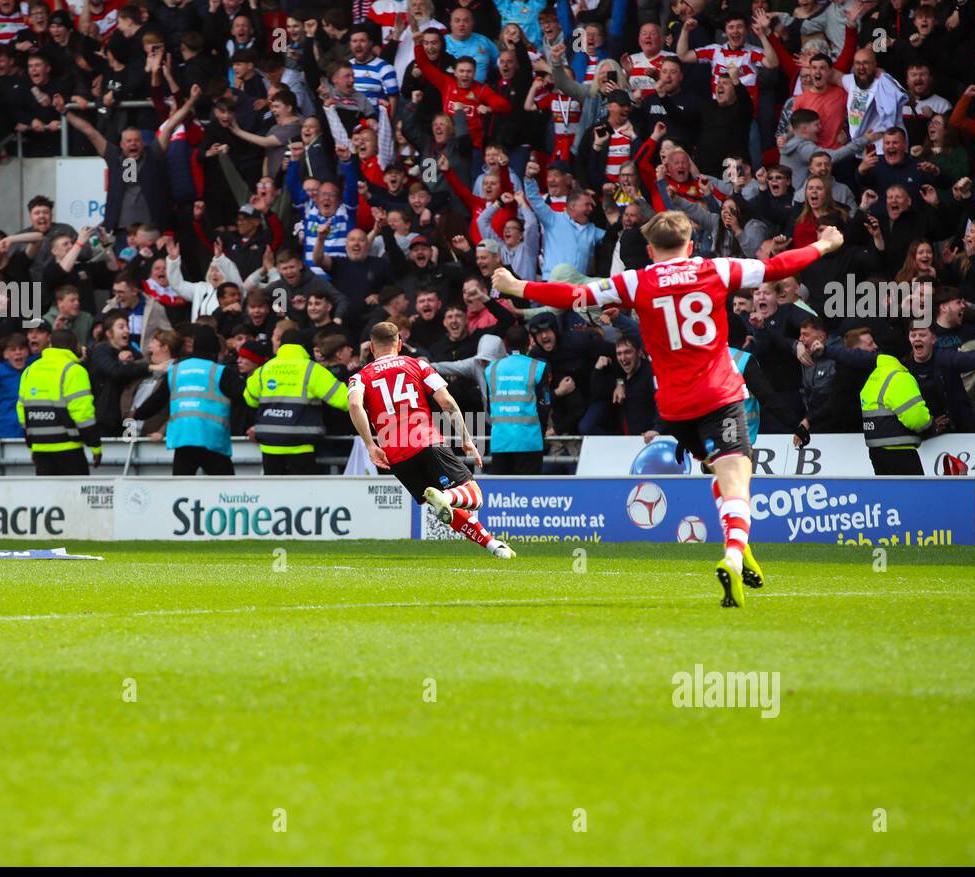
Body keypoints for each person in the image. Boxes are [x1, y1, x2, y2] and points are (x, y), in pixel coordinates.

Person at [493, 211, 845, 608]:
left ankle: (742, 550)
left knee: (715, 467)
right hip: (718, 395)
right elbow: (776, 267)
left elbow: (576, 296)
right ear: (691, 245)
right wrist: (824, 245)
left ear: (649, 249)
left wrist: (518, 284)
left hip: (674, 407)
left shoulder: (636, 281)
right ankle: (733, 552)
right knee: (737, 474)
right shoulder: (715, 269)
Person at [348, 320, 514, 559]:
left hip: (396, 456)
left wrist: (370, 445)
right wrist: (466, 439)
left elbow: (354, 404)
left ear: (372, 348)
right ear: (400, 344)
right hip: (426, 442)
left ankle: (492, 545)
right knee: (474, 496)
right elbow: (446, 402)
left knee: (444, 506)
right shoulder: (417, 365)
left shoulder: (359, 377)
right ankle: (445, 496)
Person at [130, 325, 239, 475]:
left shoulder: (175, 370)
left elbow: (155, 401)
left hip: (183, 438)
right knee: (226, 490)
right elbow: (243, 396)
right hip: (211, 439)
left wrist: (136, 414)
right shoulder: (220, 371)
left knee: (181, 488)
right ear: (215, 349)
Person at [243, 328, 349, 474]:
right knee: (303, 494)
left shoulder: (264, 369)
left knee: (274, 493)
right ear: (304, 348)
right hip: (301, 445)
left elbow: (250, 399)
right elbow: (345, 400)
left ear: (281, 346)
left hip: (270, 445)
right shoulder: (312, 370)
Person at [17, 329, 102, 475]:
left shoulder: (30, 370)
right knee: (75, 497)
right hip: (69, 449)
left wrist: (32, 444)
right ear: (74, 346)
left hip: (40, 449)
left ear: (50, 345)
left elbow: (21, 409)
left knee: (47, 497)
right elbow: (82, 413)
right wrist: (95, 446)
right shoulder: (74, 371)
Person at [860, 352, 939, 474]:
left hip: (876, 451)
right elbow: (916, 418)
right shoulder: (899, 377)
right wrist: (932, 425)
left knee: (889, 493)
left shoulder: (875, 375)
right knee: (914, 493)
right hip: (901, 451)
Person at [483, 325, 547, 474]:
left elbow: (488, 405)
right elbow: (544, 405)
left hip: (500, 441)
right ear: (529, 341)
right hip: (530, 440)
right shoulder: (538, 367)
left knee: (502, 493)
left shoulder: (491, 369)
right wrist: (541, 433)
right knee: (528, 493)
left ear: (505, 344)